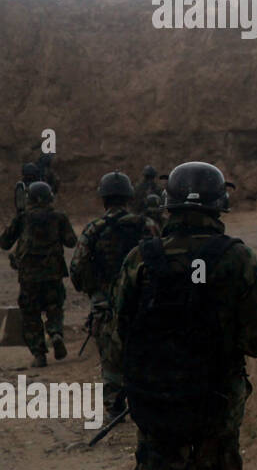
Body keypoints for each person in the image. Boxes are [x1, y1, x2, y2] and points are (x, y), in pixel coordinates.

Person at [109, 161, 257, 470]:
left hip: (156, 407)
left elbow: (118, 336)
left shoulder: (141, 259)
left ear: (168, 206)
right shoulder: (238, 259)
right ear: (219, 206)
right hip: (215, 409)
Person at [70, 171, 157, 414]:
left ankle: (114, 405)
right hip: (142, 301)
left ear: (104, 199)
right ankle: (146, 402)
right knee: (145, 352)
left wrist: (93, 290)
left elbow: (77, 267)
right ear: (129, 196)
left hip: (105, 304)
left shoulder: (93, 229)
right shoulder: (146, 225)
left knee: (110, 359)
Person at [0, 181, 77, 367]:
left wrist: (14, 223)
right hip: (53, 274)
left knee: (31, 314)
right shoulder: (59, 217)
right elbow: (71, 241)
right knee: (54, 308)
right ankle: (55, 332)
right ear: (50, 197)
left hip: (29, 277)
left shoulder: (23, 218)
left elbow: (4, 243)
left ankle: (39, 354)